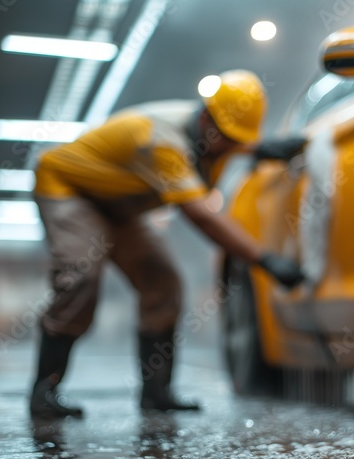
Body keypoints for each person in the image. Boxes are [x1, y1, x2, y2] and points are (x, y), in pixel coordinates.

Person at [30, 70, 306, 419]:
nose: (230, 147)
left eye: (239, 140)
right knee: (81, 277)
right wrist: (263, 259)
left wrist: (259, 148)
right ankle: (44, 390)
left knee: (163, 284)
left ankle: (156, 393)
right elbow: (201, 216)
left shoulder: (214, 133)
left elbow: (229, 139)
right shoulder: (161, 141)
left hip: (121, 205)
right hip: (70, 189)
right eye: (227, 138)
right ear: (205, 118)